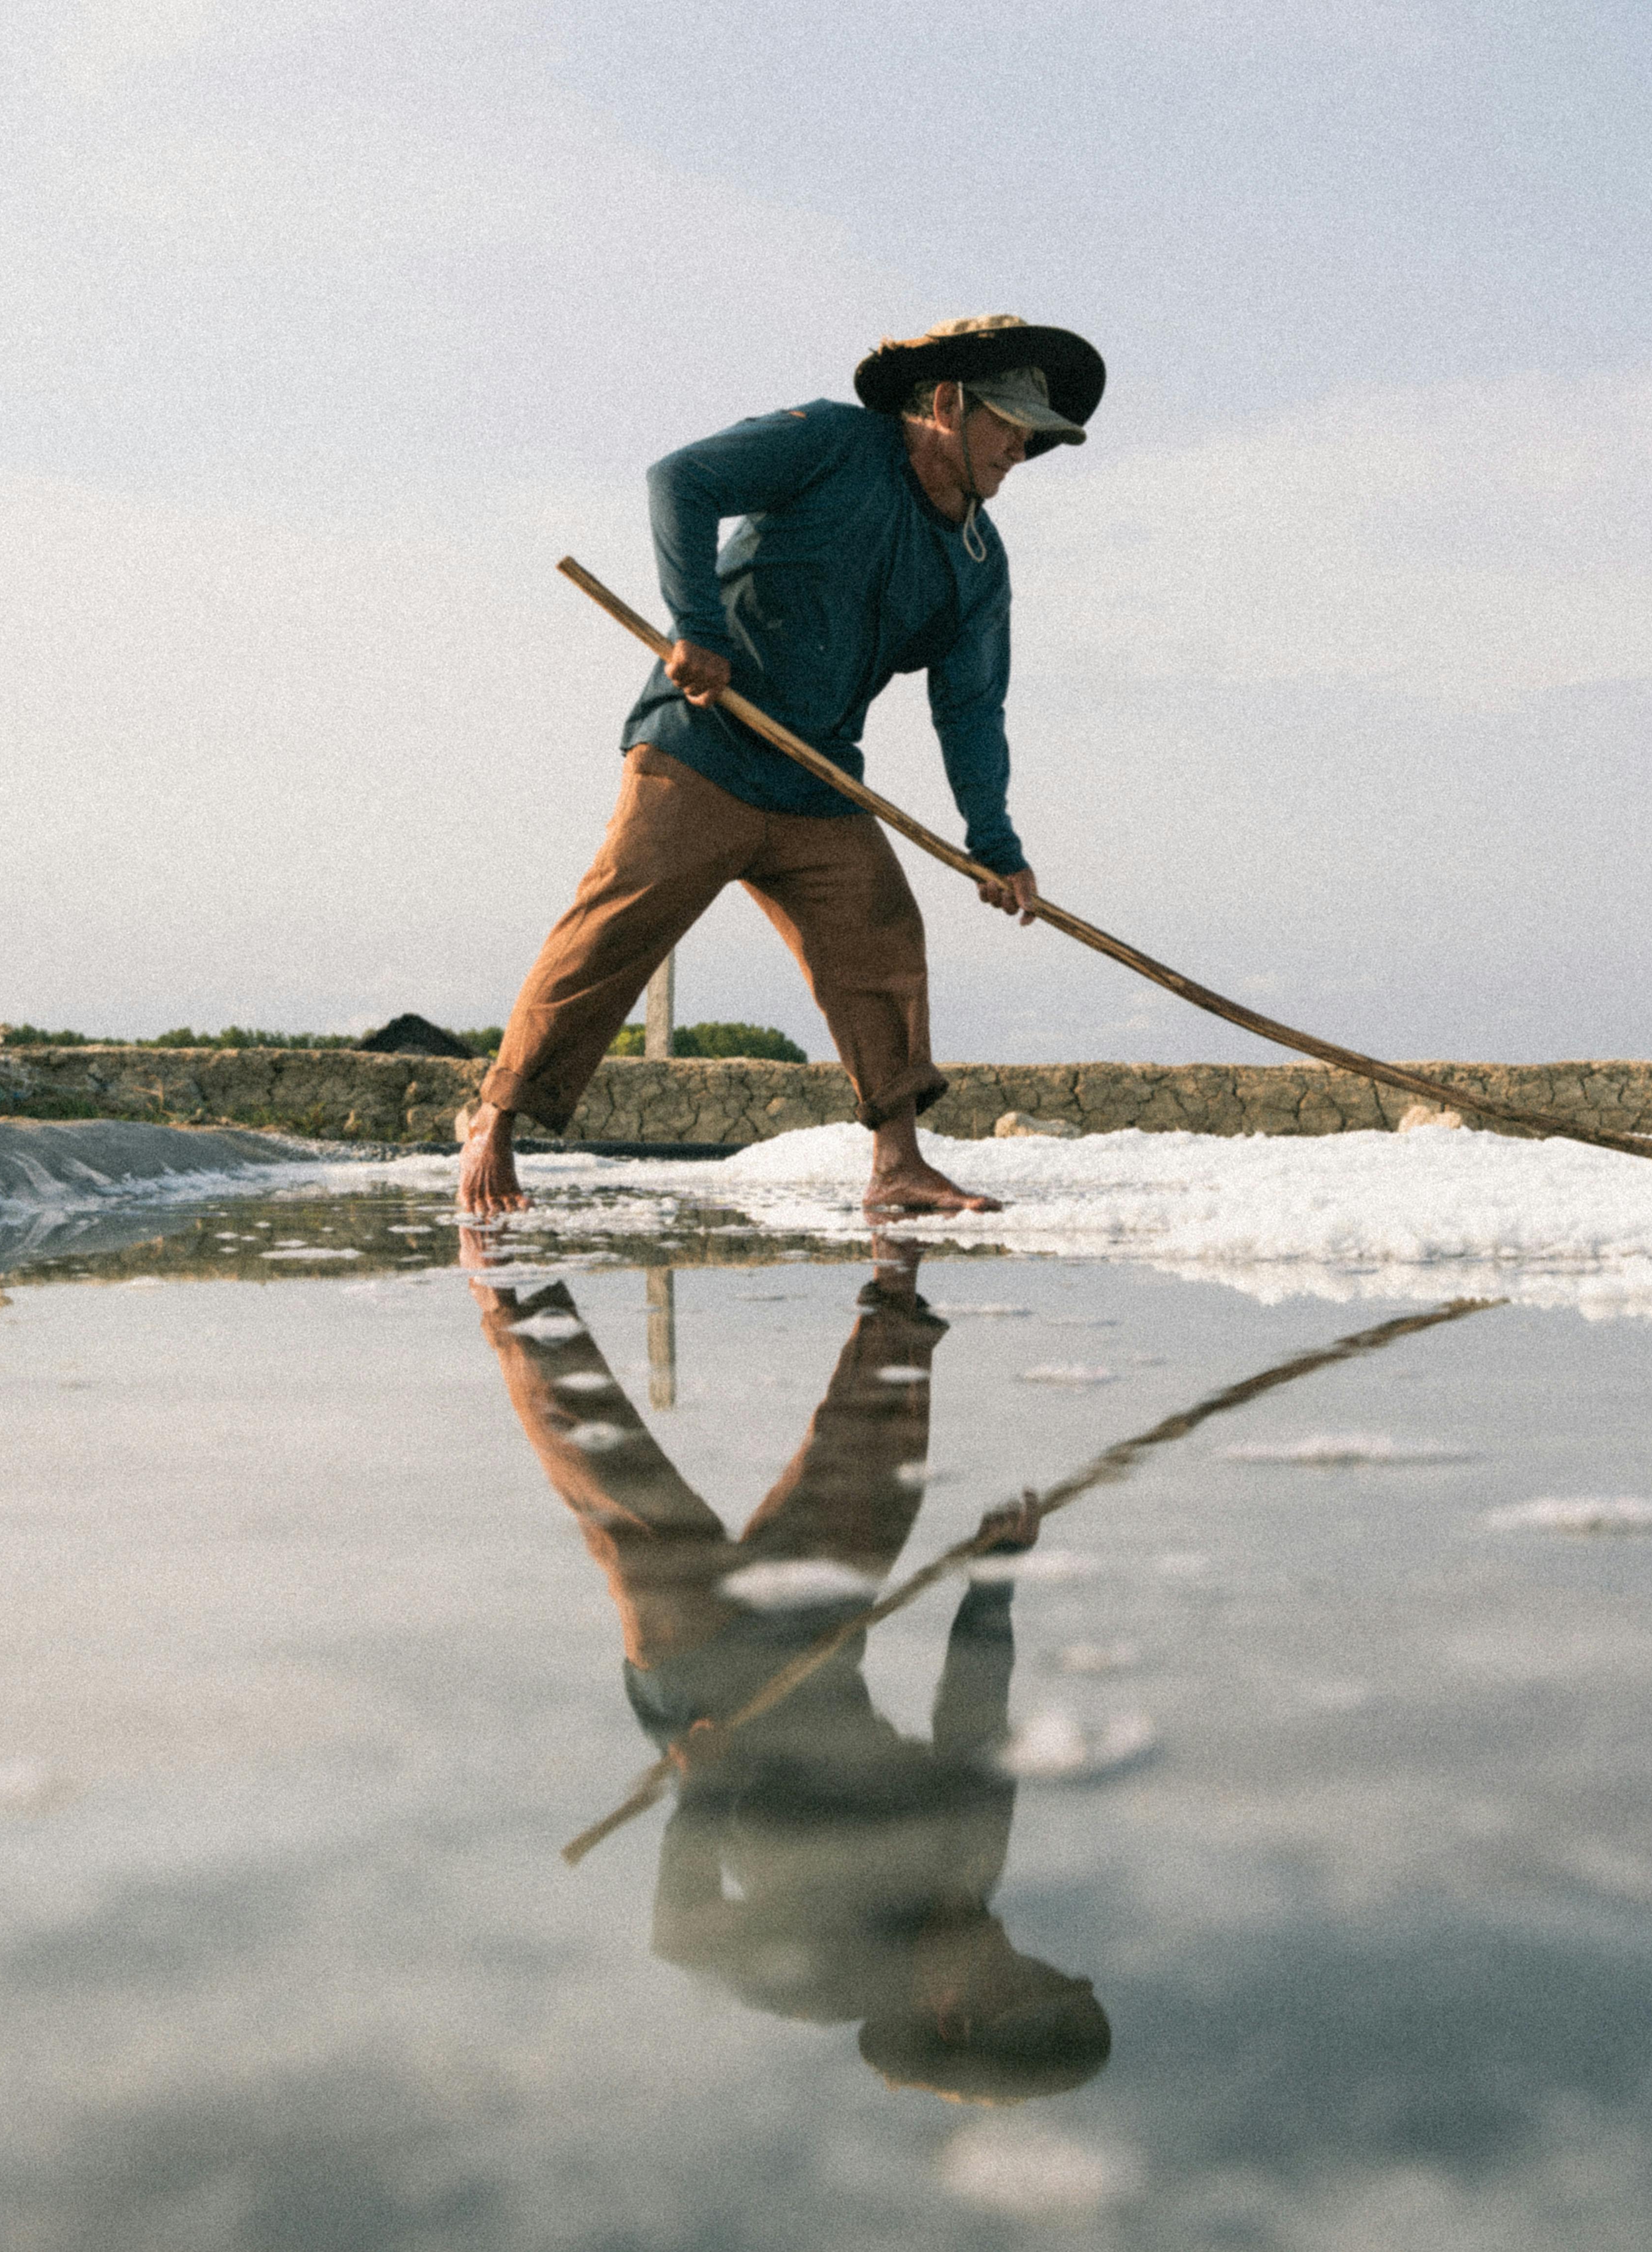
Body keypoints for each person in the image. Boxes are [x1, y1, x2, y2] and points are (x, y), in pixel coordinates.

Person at [458, 315, 1106, 1218]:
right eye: (1010, 423)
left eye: (1035, 434)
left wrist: (994, 844)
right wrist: (698, 627)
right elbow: (679, 480)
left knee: (883, 936)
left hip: (816, 780)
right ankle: (495, 1119)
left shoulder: (976, 562)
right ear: (948, 404)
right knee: (612, 931)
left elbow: (970, 709)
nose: (1023, 447)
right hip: (703, 744)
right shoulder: (836, 442)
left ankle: (898, 1163)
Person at [464, 1233, 1113, 2103]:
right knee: (878, 1483)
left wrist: (701, 1797)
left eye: (1027, 1977)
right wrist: (992, 1577)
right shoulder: (969, 1875)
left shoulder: (827, 1985)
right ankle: (898, 1265)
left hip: (704, 1689)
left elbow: (685, 1936)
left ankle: (501, 1272)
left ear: (956, 2014)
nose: (1023, 1952)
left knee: (626, 1495)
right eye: (1045, 1966)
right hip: (812, 1642)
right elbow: (972, 1722)